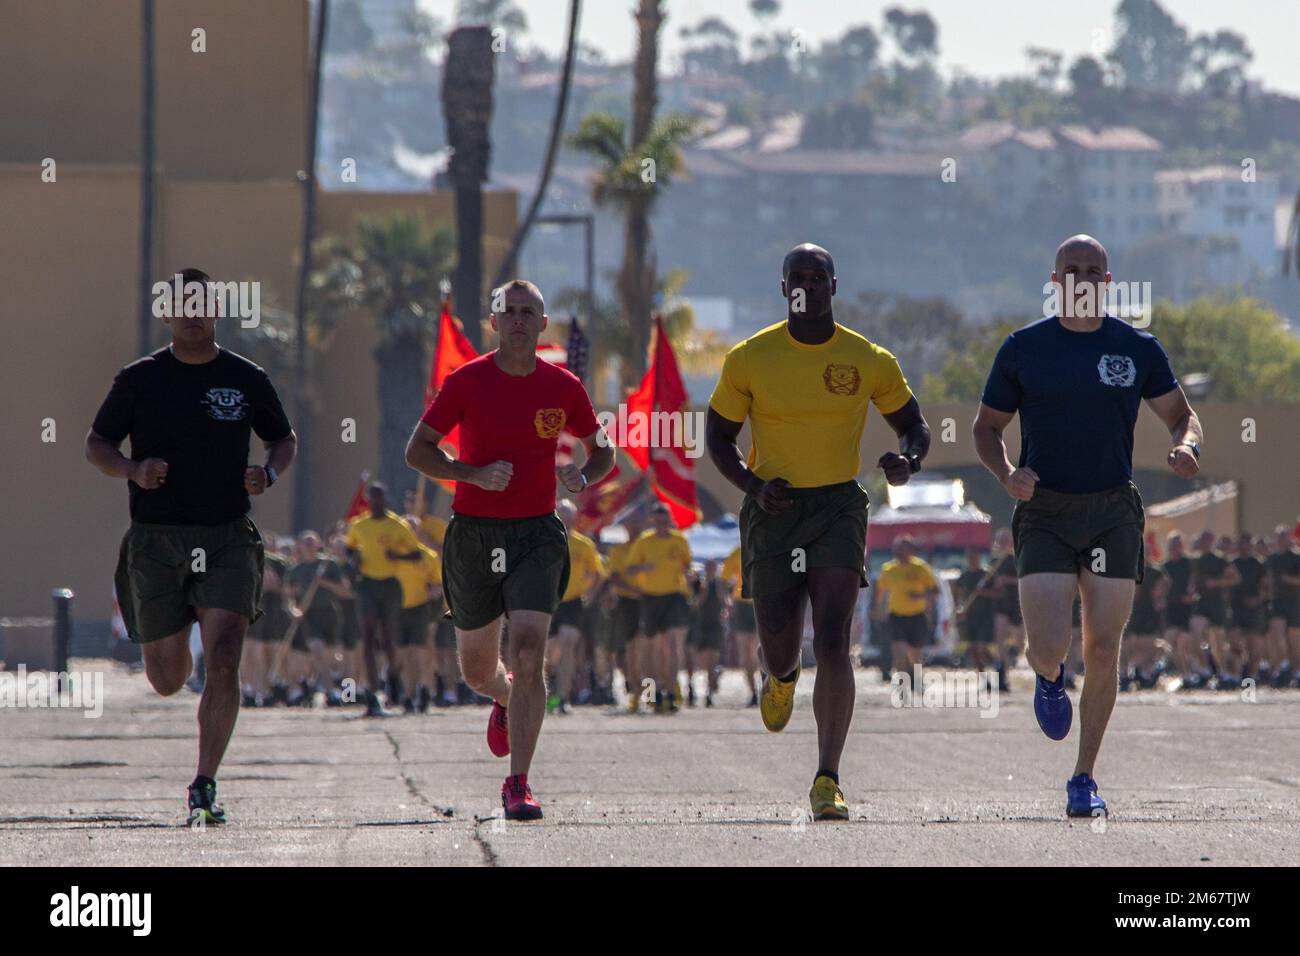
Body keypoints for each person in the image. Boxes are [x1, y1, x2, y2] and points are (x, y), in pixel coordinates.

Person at [973, 234, 1201, 818]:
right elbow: (986, 427)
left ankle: (1084, 778)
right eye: (1070, 269)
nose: (1080, 277)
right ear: (1055, 281)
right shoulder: (1024, 348)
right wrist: (1005, 474)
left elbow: (1181, 415)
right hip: (1045, 510)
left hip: (1111, 513)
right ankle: (1050, 677)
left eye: (1091, 270)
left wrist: (1187, 445)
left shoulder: (1136, 347)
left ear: (1106, 281)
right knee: (1050, 644)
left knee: (1103, 647)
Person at [705, 243, 930, 820]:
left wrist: (908, 460)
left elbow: (913, 426)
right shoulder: (751, 357)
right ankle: (779, 674)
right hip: (773, 508)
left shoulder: (868, 358)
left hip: (837, 506)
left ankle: (827, 777)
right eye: (796, 277)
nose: (807, 284)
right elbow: (718, 442)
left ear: (835, 284)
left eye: (817, 275)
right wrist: (754, 488)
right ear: (784, 289)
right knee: (783, 642)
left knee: (833, 640)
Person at [85, 267, 296, 824]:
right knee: (167, 678)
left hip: (227, 535)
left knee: (224, 658)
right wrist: (133, 469)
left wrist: (267, 476)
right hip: (156, 540)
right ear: (167, 312)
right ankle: (171, 670)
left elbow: (283, 439)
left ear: (217, 310)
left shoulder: (246, 378)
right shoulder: (140, 378)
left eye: (201, 304)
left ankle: (205, 781)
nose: (191, 313)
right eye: (181, 304)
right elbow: (96, 443)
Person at [405, 278, 614, 820]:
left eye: (530, 312)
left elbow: (604, 450)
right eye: (510, 311)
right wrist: (472, 472)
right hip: (473, 532)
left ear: (544, 324)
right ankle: (501, 697)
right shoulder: (467, 381)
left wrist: (583, 477)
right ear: (494, 322)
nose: (519, 320)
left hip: (536, 534)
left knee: (527, 650)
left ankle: (518, 782)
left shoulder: (564, 385)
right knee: (479, 670)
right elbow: (417, 451)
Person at [345, 484, 424, 716]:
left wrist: (397, 555)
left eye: (380, 498)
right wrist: (354, 558)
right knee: (368, 637)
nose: (376, 502)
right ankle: (372, 691)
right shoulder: (359, 525)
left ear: (385, 499)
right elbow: (349, 549)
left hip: (389, 584)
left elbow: (417, 553)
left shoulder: (396, 525)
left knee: (389, 640)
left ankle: (393, 680)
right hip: (367, 584)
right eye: (373, 499)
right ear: (368, 501)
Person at [627, 503, 694, 713]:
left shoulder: (679, 540)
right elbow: (629, 568)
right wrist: (642, 567)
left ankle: (672, 692)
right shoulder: (645, 541)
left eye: (664, 521)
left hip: (674, 596)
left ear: (670, 521)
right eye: (657, 521)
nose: (661, 525)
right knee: (651, 648)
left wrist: (689, 575)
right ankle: (651, 693)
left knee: (673, 644)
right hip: (650, 598)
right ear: (652, 521)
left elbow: (688, 566)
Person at [547, 500, 606, 714]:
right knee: (549, 654)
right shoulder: (545, 542)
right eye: (561, 516)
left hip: (572, 602)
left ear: (574, 519)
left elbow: (598, 573)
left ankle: (563, 698)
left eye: (568, 516)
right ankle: (548, 694)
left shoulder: (584, 545)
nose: (565, 520)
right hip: (549, 602)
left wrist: (590, 592)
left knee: (567, 645)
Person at [287, 531, 347, 706]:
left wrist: (324, 582)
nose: (309, 547)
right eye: (306, 543)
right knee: (317, 651)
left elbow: (344, 591)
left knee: (330, 657)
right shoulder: (296, 570)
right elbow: (290, 596)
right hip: (310, 614)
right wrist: (293, 610)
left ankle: (322, 682)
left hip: (329, 612)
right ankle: (329, 691)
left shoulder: (329, 565)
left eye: (312, 543)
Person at [873, 536, 939, 690]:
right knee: (899, 651)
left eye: (903, 548)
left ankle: (917, 679)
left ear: (911, 550)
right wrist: (878, 610)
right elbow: (881, 592)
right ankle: (902, 684)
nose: (900, 551)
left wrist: (920, 596)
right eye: (897, 548)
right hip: (896, 616)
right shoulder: (888, 569)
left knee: (914, 654)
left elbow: (935, 591)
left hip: (916, 615)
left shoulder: (921, 568)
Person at [392, 517, 442, 712]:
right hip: (397, 610)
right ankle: (407, 693)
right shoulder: (393, 556)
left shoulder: (427, 556)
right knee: (403, 655)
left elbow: (438, 584)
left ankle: (423, 691)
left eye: (414, 530)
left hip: (420, 609)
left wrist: (431, 592)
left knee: (420, 653)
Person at [1189, 530, 1240, 689]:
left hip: (1217, 603)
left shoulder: (1220, 560)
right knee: (1195, 633)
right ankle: (1204, 668)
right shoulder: (1195, 560)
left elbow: (1235, 578)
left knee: (1217, 641)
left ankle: (1223, 671)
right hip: (1200, 604)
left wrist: (1217, 583)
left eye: (1207, 540)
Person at [722, 544, 760, 706]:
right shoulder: (736, 553)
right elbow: (724, 580)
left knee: (760, 650)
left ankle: (766, 684)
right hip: (742, 604)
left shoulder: (765, 549)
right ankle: (754, 691)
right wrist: (727, 600)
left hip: (762, 602)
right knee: (745, 653)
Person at [952, 546, 999, 676]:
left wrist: (983, 592)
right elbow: (958, 595)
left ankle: (996, 663)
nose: (972, 560)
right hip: (970, 616)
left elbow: (999, 593)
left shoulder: (987, 575)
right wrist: (959, 609)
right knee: (973, 648)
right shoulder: (964, 576)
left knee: (981, 646)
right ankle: (982, 674)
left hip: (985, 616)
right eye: (970, 557)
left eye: (974, 557)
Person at [1229, 532, 1268, 685]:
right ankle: (1238, 671)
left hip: (1254, 608)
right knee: (1234, 641)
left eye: (1246, 543)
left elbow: (1266, 586)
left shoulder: (1258, 564)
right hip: (1236, 607)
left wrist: (1257, 599)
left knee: (1254, 644)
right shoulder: (1232, 563)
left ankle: (1251, 675)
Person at [688, 559, 728, 707]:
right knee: (699, 660)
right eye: (708, 567)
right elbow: (693, 605)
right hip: (700, 625)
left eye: (713, 567)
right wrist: (703, 593)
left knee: (711, 659)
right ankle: (694, 686)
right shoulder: (698, 583)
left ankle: (709, 692)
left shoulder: (720, 584)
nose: (711, 570)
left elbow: (726, 603)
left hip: (715, 626)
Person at [1265, 526, 1300, 688]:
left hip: (1294, 601)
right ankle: (1284, 664)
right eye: (1278, 537)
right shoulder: (1271, 559)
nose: (1281, 540)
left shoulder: (1296, 557)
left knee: (1294, 639)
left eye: (1284, 536)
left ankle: (1296, 671)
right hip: (1277, 601)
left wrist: (1290, 580)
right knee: (1277, 633)